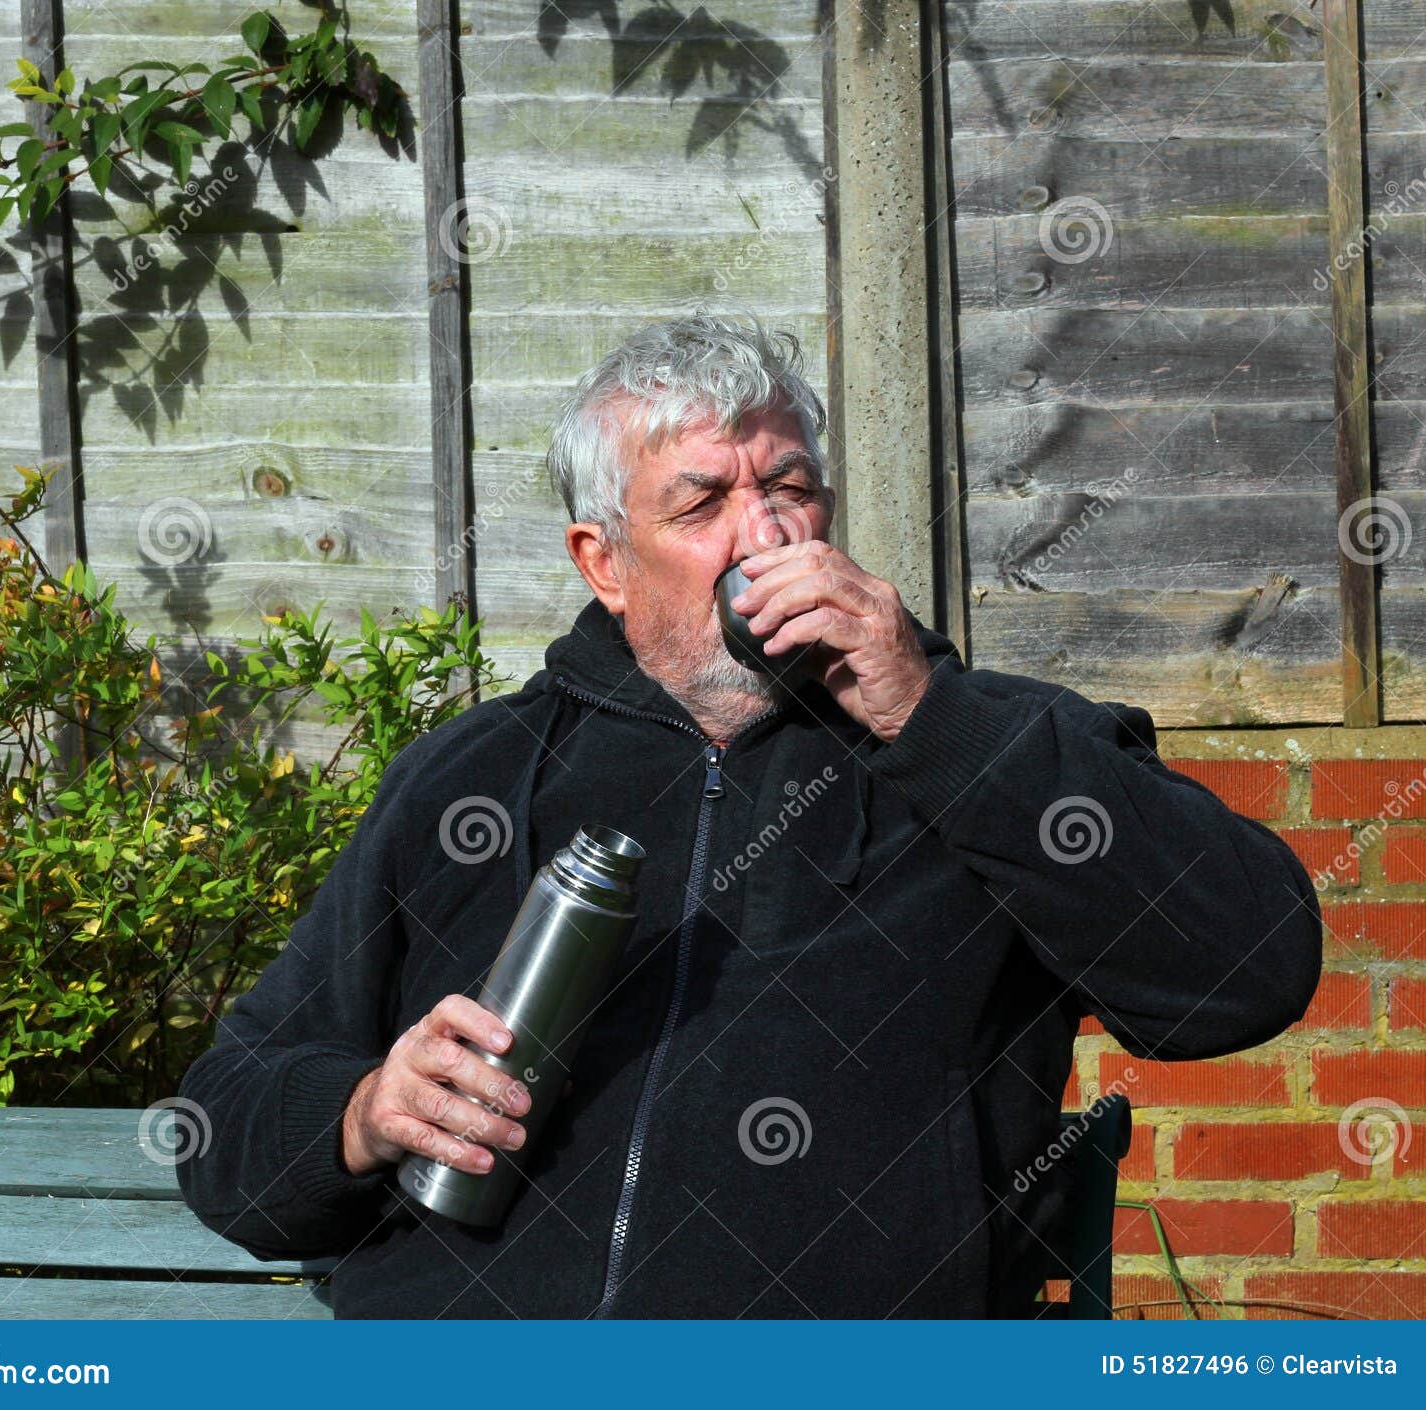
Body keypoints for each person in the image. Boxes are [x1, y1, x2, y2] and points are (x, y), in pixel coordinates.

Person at [174, 311, 1324, 1317]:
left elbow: (1247, 973)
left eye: (787, 489)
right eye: (704, 502)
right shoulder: (466, 781)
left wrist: (933, 721)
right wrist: (368, 1112)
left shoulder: (994, 747)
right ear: (604, 562)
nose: (764, 535)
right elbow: (226, 1129)